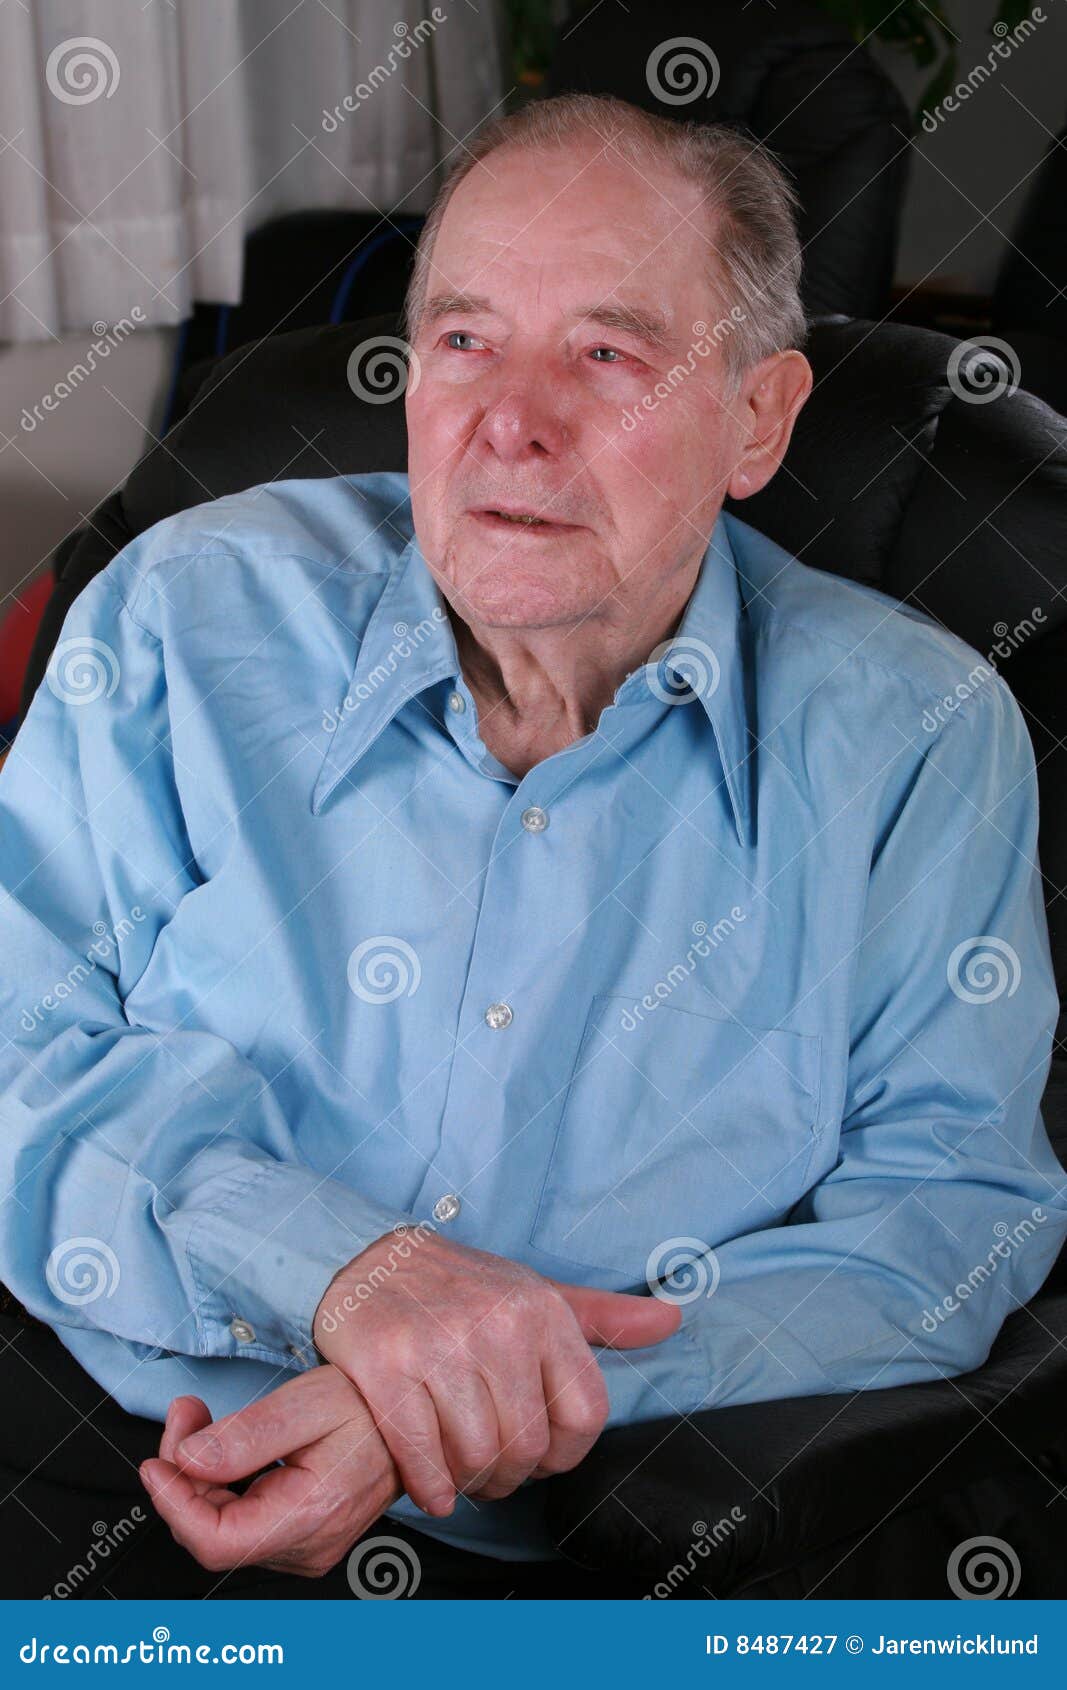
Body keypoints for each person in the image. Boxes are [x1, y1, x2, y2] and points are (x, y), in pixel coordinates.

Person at [1, 93, 1064, 1597]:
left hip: (622, 1531)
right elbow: (16, 1047)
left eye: (609, 353)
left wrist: (457, 1389)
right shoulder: (188, 616)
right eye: (462, 340)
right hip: (90, 1430)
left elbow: (948, 1218)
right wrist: (344, 1273)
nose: (510, 418)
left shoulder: (915, 736)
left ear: (757, 418)